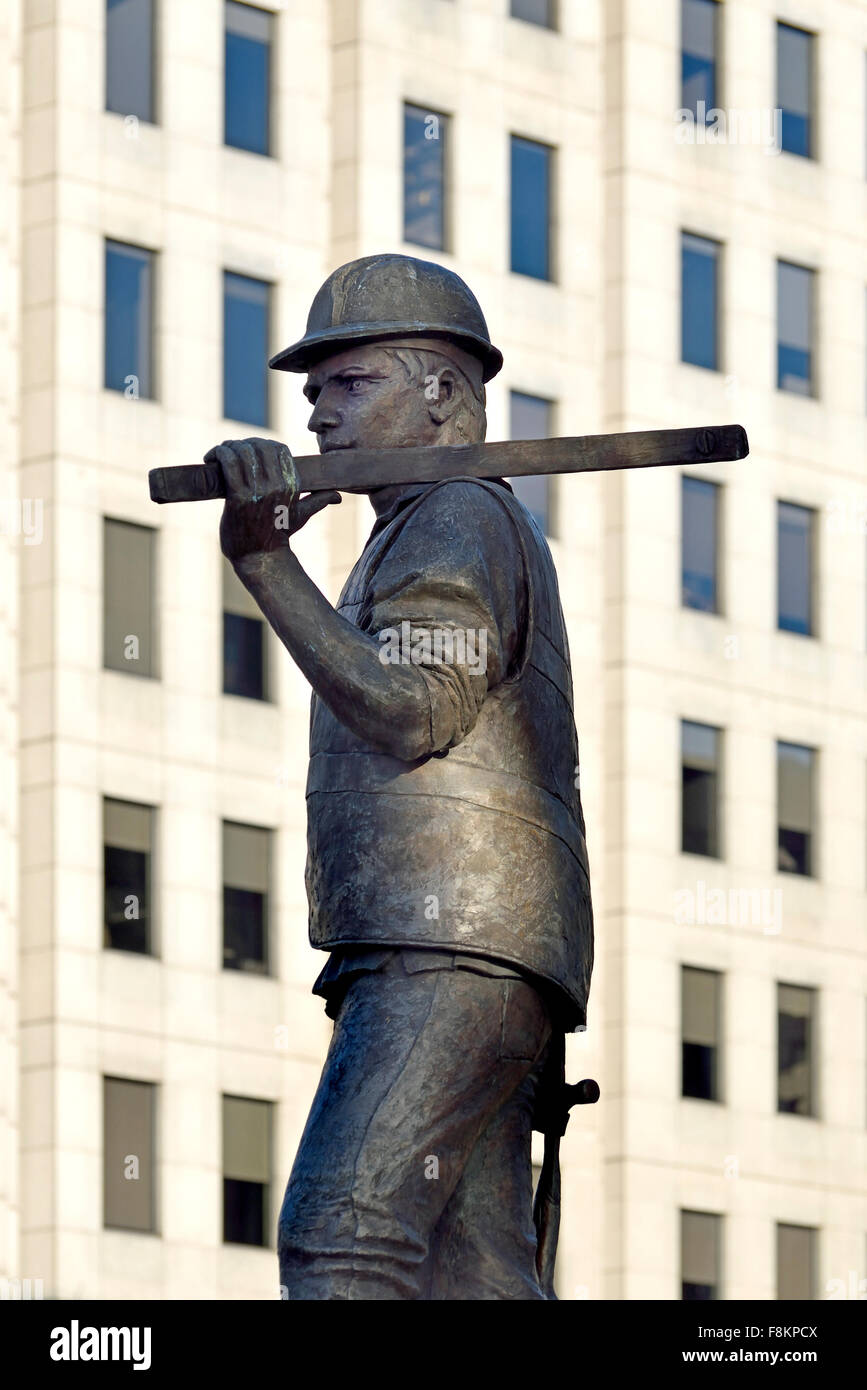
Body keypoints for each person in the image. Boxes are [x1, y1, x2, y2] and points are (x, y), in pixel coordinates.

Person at [211, 253, 594, 1300]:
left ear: (442, 395)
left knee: (346, 1232)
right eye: (314, 393)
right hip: (462, 939)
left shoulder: (458, 516)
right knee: (474, 1274)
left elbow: (414, 706)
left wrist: (264, 564)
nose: (319, 416)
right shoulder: (427, 527)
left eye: (351, 383)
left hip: (451, 940)